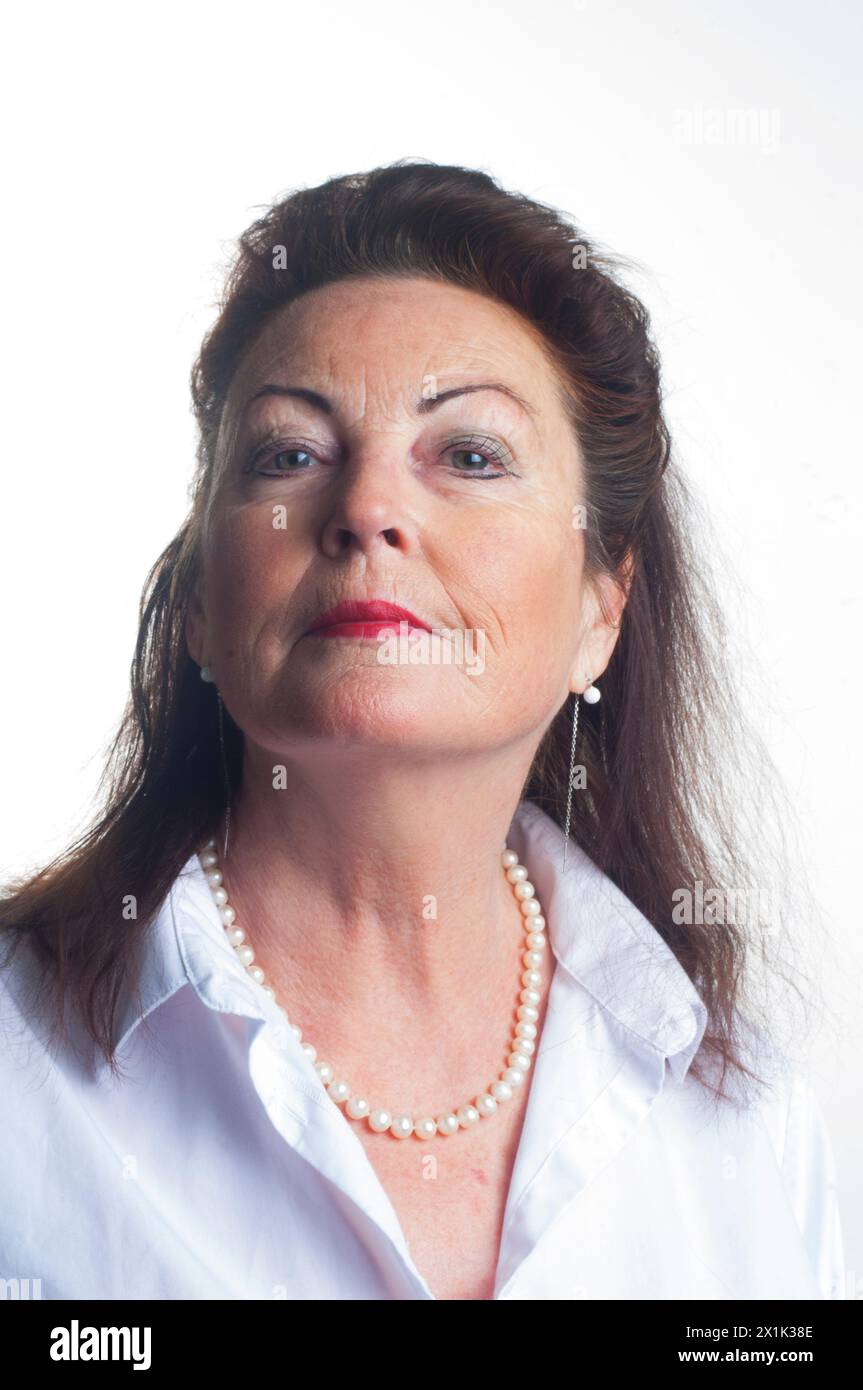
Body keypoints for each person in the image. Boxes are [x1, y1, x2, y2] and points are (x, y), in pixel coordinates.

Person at [0, 160, 844, 1301]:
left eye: (468, 455)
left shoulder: (747, 1127)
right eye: (290, 453)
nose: (364, 511)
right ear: (199, 599)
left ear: (602, 605)